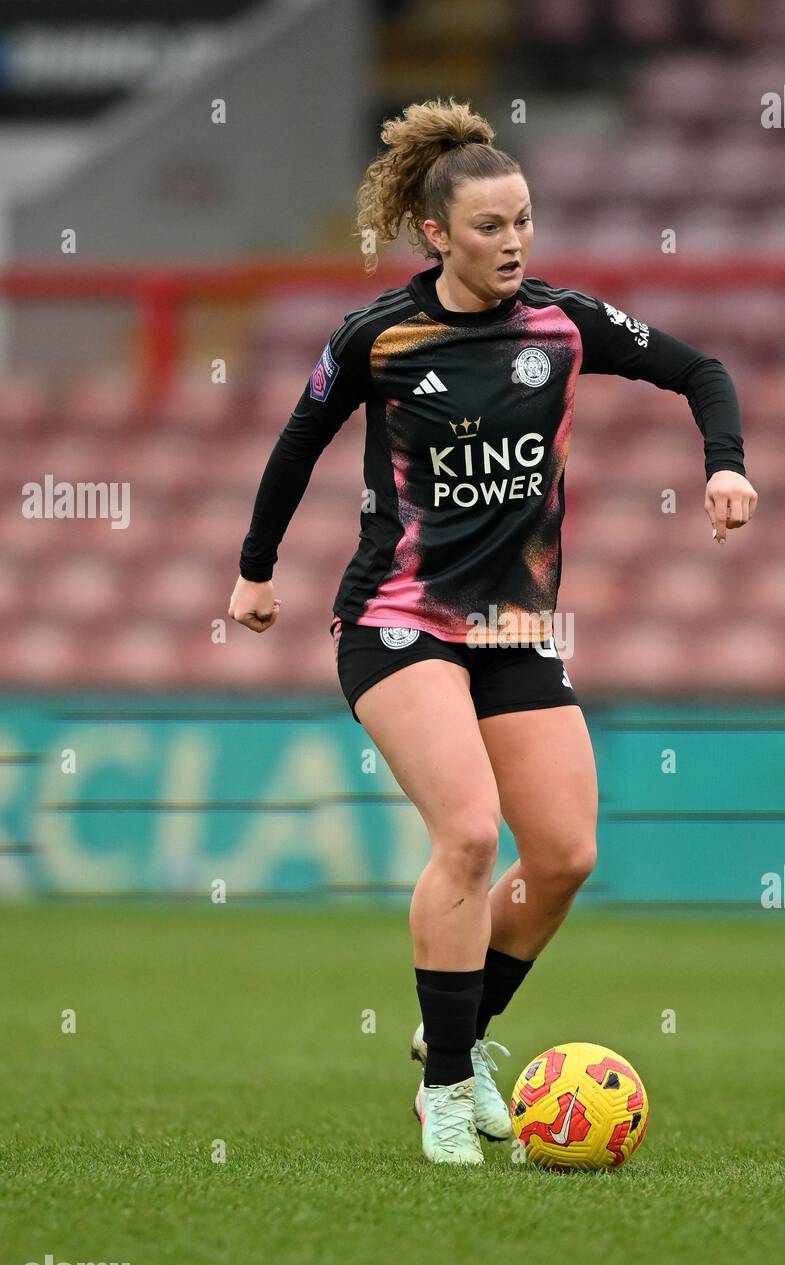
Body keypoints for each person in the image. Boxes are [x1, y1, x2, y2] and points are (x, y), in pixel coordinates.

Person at [229, 97, 756, 1166]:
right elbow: (297, 442)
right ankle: (444, 1094)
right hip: (396, 621)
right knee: (468, 835)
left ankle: (455, 1038)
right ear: (437, 234)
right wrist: (254, 570)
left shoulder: (563, 324)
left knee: (563, 856)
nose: (513, 241)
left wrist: (725, 465)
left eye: (523, 220)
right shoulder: (379, 336)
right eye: (488, 226)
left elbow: (699, 370)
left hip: (514, 628)